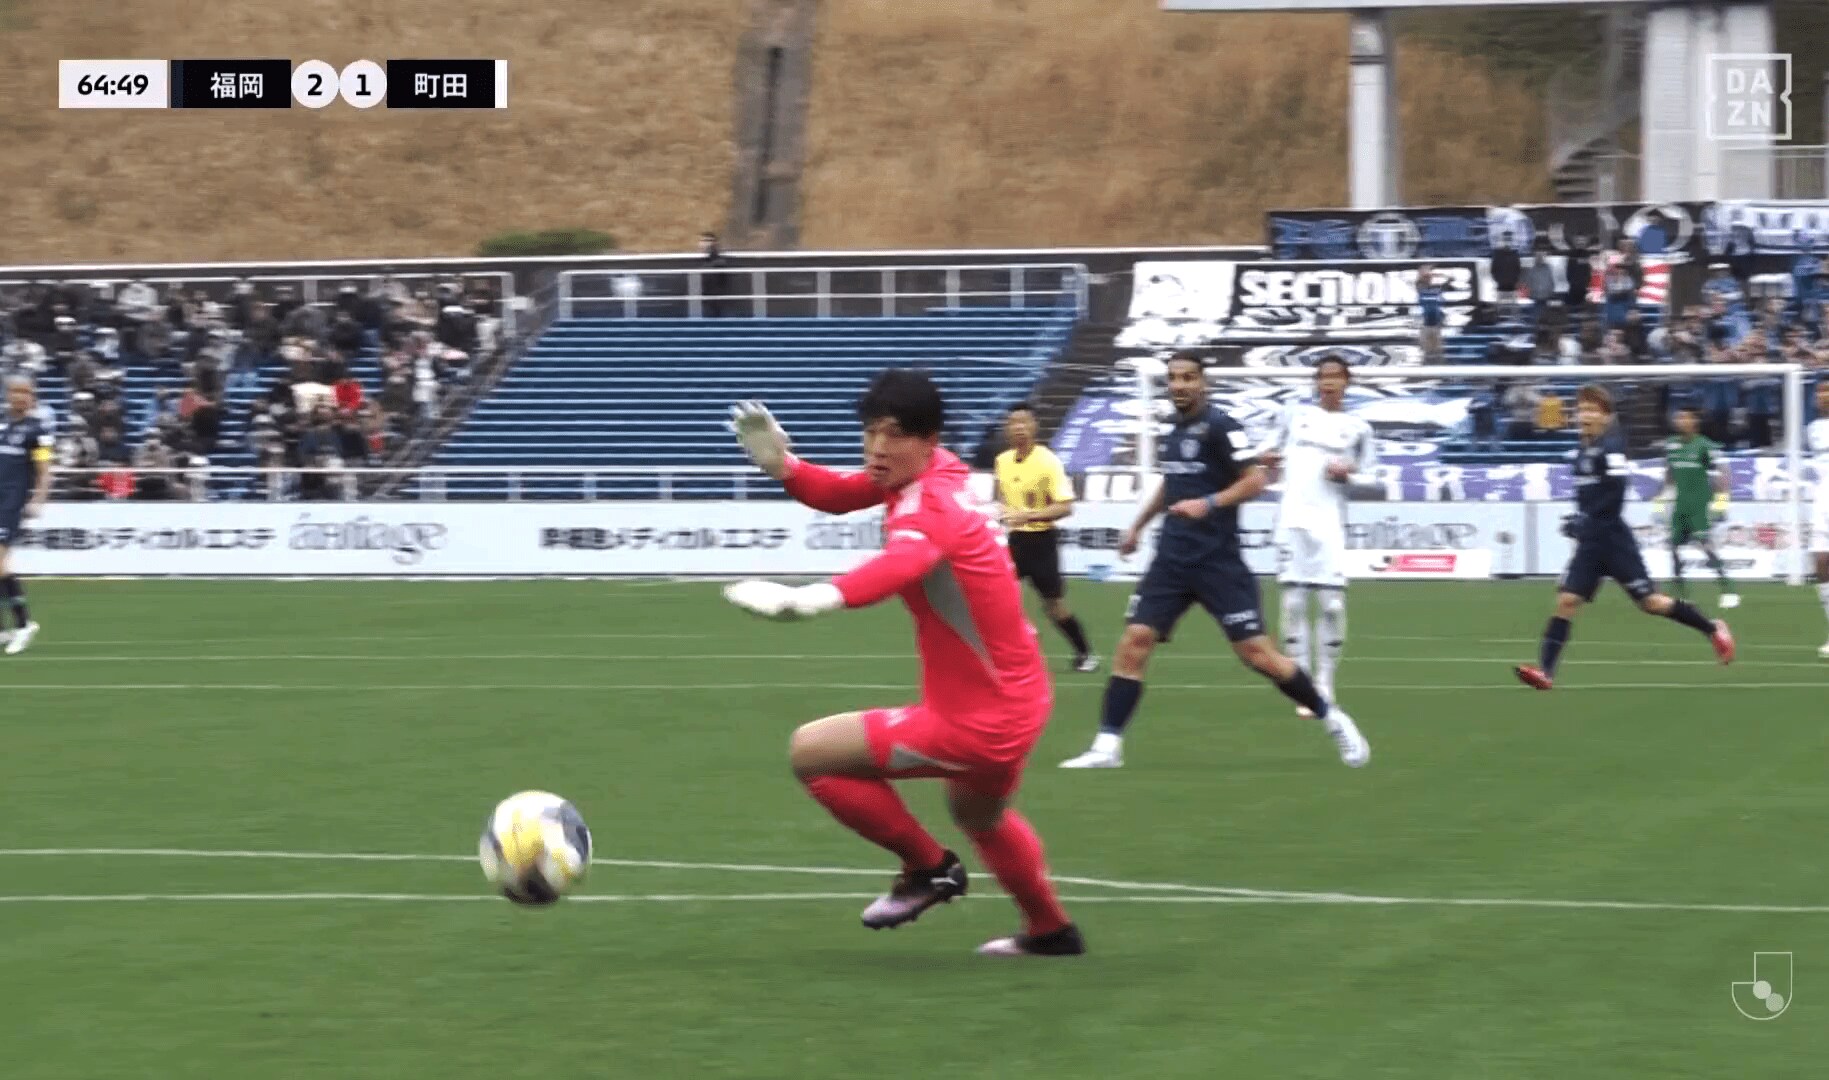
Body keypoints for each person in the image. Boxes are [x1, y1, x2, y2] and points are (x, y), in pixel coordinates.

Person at [722, 370, 1083, 958]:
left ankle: (929, 869)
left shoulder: (931, 505)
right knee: (978, 813)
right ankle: (1052, 931)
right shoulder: (934, 470)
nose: (876, 449)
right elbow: (840, 494)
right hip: (1016, 697)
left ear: (928, 437)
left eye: (891, 435)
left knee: (812, 753)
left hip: (979, 719)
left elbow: (903, 563)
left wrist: (818, 597)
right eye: (869, 433)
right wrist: (783, 465)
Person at [1058, 351, 1369, 770]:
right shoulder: (1174, 429)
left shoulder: (1223, 427)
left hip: (1217, 562)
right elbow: (1170, 482)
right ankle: (1107, 746)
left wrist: (1209, 503)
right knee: (1134, 642)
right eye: (1173, 378)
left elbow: (1256, 479)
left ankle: (1333, 719)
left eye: (1188, 377)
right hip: (1171, 559)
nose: (1180, 385)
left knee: (1258, 656)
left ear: (1203, 382)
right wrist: (1139, 525)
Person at [1515, 385, 1735, 690]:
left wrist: (1586, 519)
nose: (1585, 415)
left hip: (1614, 540)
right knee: (1566, 601)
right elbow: (1586, 497)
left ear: (1606, 417)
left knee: (1651, 603)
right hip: (1591, 543)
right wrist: (1578, 522)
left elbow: (1616, 495)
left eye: (1593, 410)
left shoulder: (1612, 448)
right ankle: (1546, 672)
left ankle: (1713, 628)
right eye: (1582, 409)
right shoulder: (1581, 452)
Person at [1257, 355, 1376, 715]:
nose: (1328, 382)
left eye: (1336, 376)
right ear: (1315, 382)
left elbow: (1371, 476)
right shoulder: (1293, 416)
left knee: (1332, 604)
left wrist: (1349, 473)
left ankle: (1326, 680)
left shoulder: (1359, 427)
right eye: (1322, 376)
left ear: (1347, 381)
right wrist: (1268, 457)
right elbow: (1263, 451)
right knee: (1292, 603)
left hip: (1329, 522)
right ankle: (1302, 682)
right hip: (1292, 517)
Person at [993, 403, 1098, 673]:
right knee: (998, 600)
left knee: (1055, 607)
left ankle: (1085, 653)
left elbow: (1065, 505)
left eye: (1024, 422)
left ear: (1034, 426)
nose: (1018, 427)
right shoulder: (1002, 461)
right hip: (1014, 541)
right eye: (1013, 422)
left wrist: (1027, 516)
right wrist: (1002, 511)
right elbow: (1001, 498)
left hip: (1041, 542)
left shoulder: (1048, 461)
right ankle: (1012, 657)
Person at [1654, 407, 1738, 609]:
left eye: (1686, 417)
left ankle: (1728, 589)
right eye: (1678, 417)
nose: (1681, 421)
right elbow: (1669, 472)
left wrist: (1721, 500)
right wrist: (1661, 497)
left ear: (1695, 422)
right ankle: (1682, 594)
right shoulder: (1672, 445)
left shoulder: (1704, 446)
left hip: (1699, 504)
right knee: (1673, 548)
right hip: (1680, 504)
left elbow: (1723, 472)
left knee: (1706, 546)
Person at [0, 375, 51, 654]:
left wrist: (38, 499)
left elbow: (44, 471)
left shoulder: (37, 430)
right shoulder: (3, 426)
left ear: (32, 397)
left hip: (11, 503)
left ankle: (24, 625)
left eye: (25, 392)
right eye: (14, 391)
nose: (19, 396)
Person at [1808, 381, 1829, 658]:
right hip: (1823, 503)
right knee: (1822, 563)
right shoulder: (1811, 429)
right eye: (1819, 392)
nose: (1823, 397)